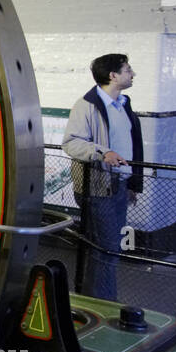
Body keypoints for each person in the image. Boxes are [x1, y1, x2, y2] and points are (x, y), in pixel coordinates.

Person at [62, 53, 143, 300]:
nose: (132, 73)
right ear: (113, 75)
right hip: (97, 188)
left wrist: (131, 183)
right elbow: (70, 143)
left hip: (118, 184)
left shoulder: (123, 105)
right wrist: (102, 152)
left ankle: (96, 298)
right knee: (106, 248)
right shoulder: (86, 105)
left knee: (108, 247)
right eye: (128, 69)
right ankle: (104, 302)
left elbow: (133, 145)